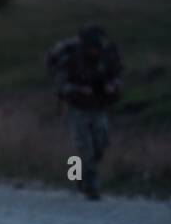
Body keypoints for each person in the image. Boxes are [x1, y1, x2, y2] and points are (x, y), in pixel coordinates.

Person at [45, 25, 123, 200]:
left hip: (99, 107)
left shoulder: (107, 57)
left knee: (100, 146)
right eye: (92, 48)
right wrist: (78, 89)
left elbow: (117, 76)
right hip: (77, 109)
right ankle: (89, 185)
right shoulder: (71, 59)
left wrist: (113, 86)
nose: (95, 51)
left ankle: (79, 177)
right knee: (85, 148)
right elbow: (61, 84)